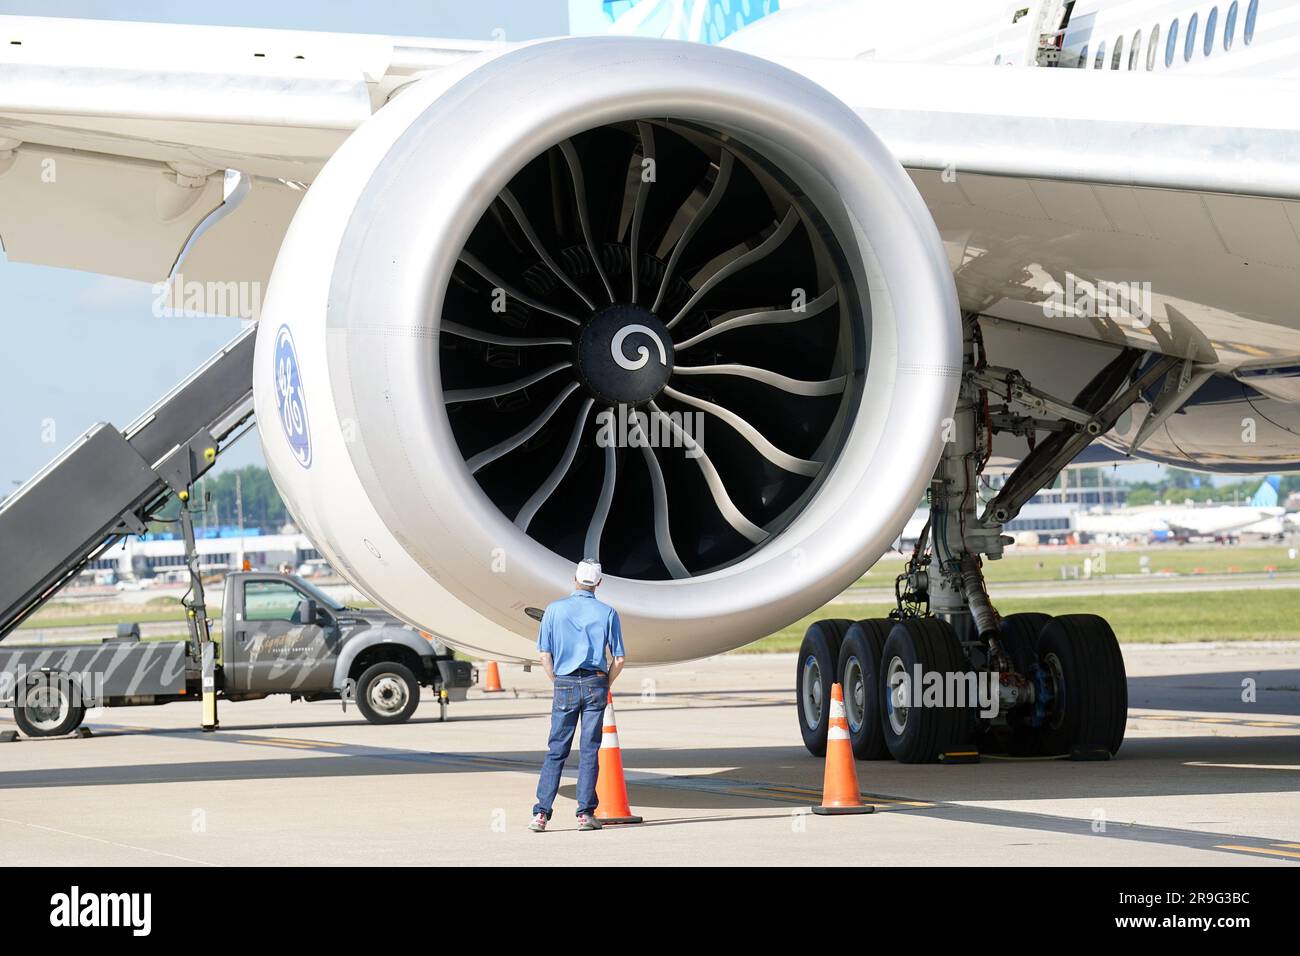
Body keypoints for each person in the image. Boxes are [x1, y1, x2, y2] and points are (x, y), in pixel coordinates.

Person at [530, 559, 625, 832]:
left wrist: (557, 680)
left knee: (557, 749)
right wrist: (605, 682)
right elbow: (619, 658)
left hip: (565, 682)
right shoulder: (608, 612)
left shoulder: (554, 610)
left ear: (574, 579)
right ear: (599, 583)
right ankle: (585, 813)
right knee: (589, 750)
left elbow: (544, 654)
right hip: (596, 682)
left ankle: (541, 814)